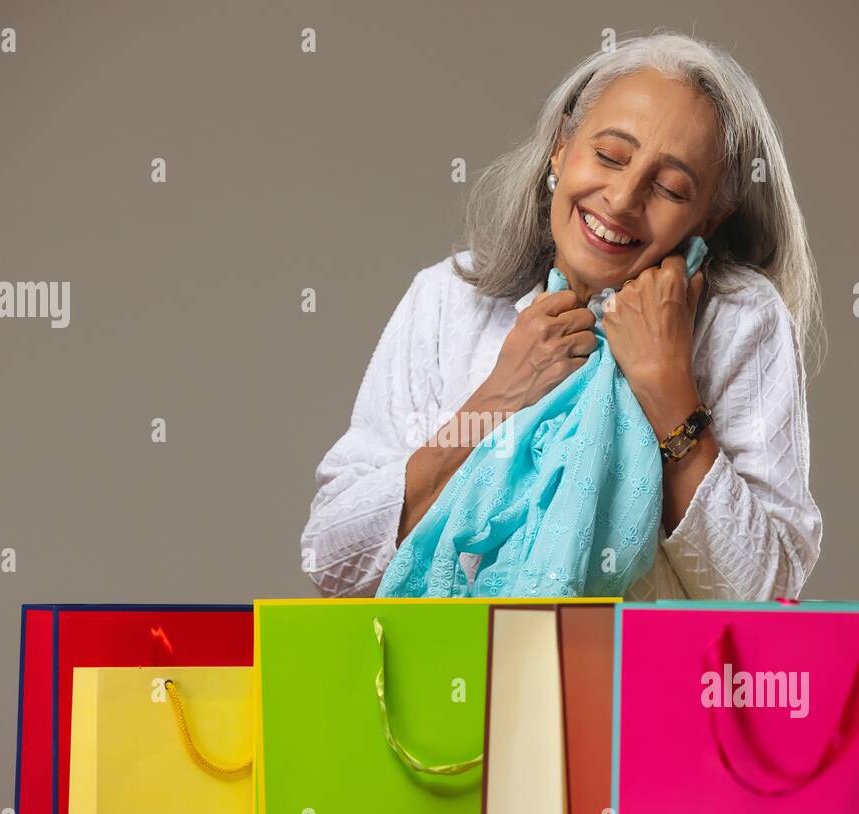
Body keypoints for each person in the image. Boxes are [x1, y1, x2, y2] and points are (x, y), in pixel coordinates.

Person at [300, 32, 825, 600]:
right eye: (609, 156)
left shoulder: (742, 320)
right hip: (455, 680)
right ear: (561, 147)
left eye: (671, 188)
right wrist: (497, 401)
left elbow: (768, 595)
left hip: (646, 684)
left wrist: (670, 395)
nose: (623, 199)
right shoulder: (448, 297)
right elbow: (332, 556)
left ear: (708, 220)